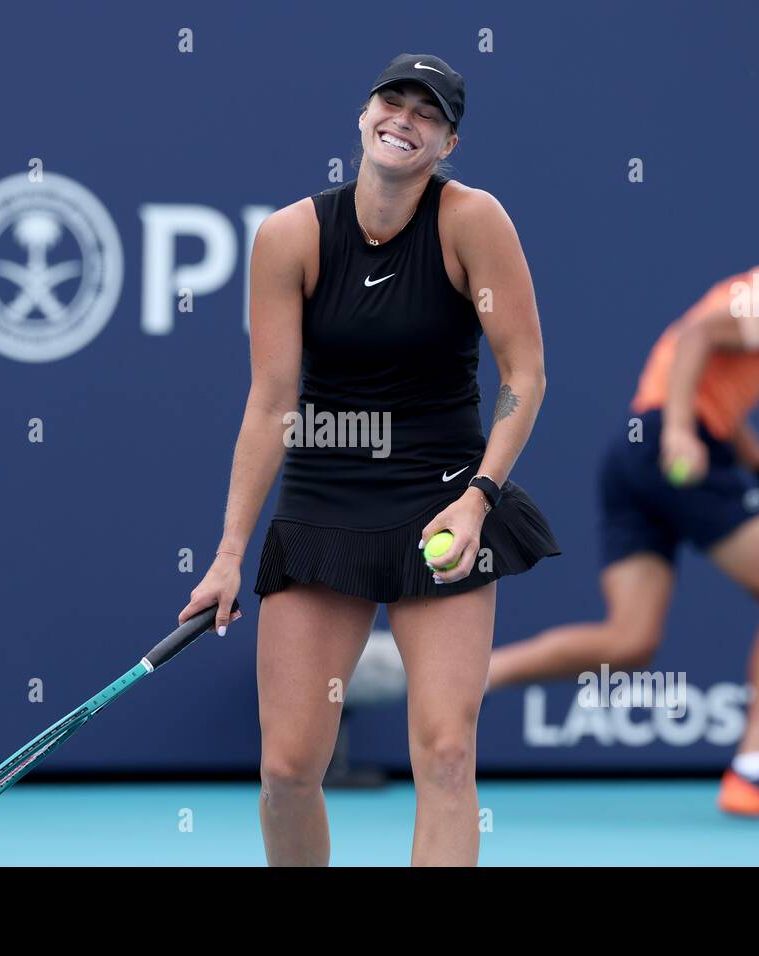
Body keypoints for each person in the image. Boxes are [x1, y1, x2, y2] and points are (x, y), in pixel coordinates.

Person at [179, 53, 559, 865]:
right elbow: (272, 401)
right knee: (286, 770)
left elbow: (524, 374)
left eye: (428, 113)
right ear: (363, 114)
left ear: (447, 141)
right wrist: (227, 556)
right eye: (394, 101)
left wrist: (480, 498)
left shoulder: (472, 220)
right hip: (325, 505)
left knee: (448, 754)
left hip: (443, 503)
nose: (405, 119)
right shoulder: (290, 237)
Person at [484, 180, 759, 820]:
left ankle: (473, 677)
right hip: (675, 449)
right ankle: (755, 769)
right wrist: (678, 432)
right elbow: (697, 337)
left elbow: (719, 394)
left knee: (631, 639)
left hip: (635, 452)